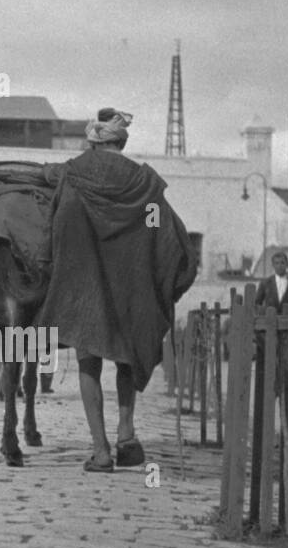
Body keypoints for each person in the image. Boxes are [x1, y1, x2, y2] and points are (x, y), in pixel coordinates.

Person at [38, 107, 198, 471]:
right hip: (132, 291)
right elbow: (163, 232)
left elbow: (56, 226)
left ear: (94, 142)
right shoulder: (145, 185)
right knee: (127, 356)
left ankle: (101, 450)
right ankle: (126, 434)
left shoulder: (73, 176)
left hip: (86, 291)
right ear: (122, 142)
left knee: (88, 362)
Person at [254, 250, 288, 447]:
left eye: (283, 262)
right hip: (269, 337)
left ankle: (285, 434)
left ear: (287, 264)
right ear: (273, 265)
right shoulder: (265, 284)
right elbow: (256, 306)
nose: (280, 266)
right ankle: (268, 434)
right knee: (269, 382)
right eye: (277, 263)